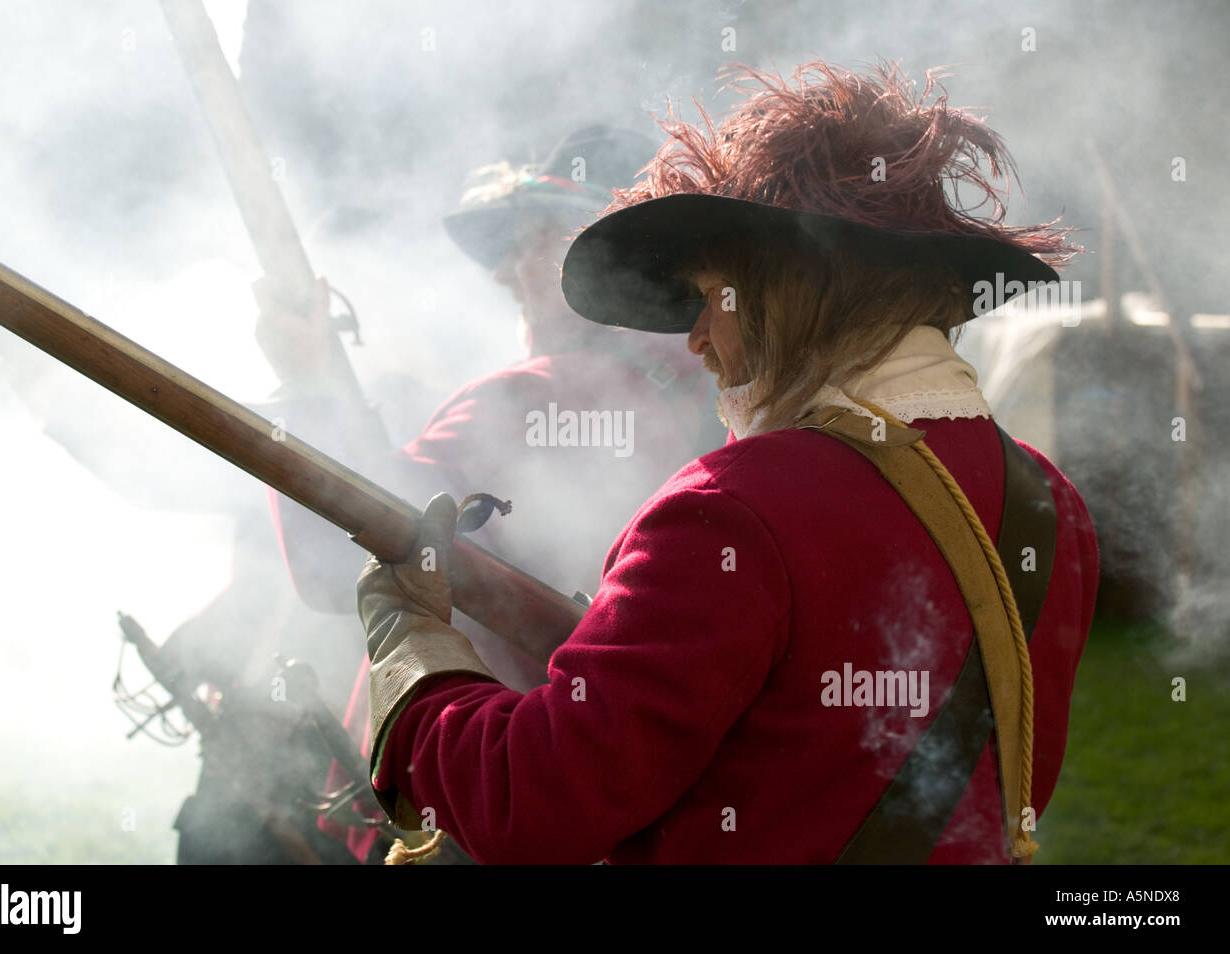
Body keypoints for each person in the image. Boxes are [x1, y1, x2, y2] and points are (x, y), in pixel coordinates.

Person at [354, 61, 1100, 864]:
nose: (698, 338)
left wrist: (411, 644)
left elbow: (531, 801)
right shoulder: (1051, 502)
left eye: (713, 296)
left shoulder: (731, 510)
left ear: (791, 287)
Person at [259, 125, 722, 863]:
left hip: (475, 805)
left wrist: (308, 382)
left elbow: (327, 564)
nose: (505, 272)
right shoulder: (715, 395)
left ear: (602, 256)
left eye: (531, 240)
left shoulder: (531, 399)